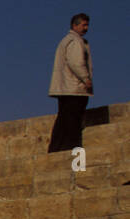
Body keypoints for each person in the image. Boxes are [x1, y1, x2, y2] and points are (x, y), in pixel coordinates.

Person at [48, 13, 93, 153]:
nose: (86, 28)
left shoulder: (66, 41)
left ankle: (57, 148)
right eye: (83, 25)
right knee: (72, 119)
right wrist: (85, 78)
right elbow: (76, 63)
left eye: (87, 25)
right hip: (74, 88)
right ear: (75, 25)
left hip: (65, 88)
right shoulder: (75, 41)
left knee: (64, 118)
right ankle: (69, 147)